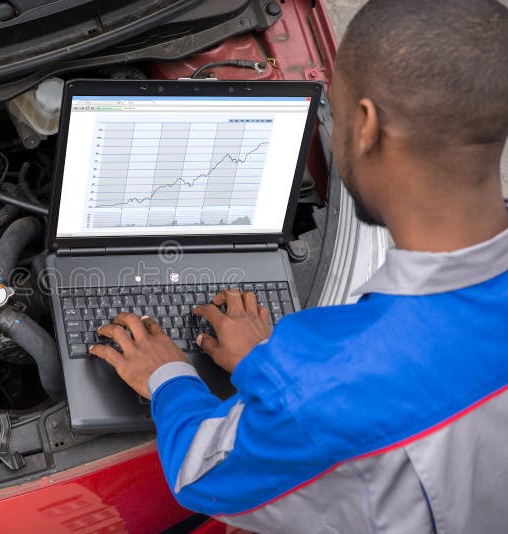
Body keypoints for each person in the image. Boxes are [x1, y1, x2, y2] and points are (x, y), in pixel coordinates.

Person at [88, 0, 508, 531]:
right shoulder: (319, 377)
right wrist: (265, 367)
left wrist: (168, 374)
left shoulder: (322, 379)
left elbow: (202, 476)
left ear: (364, 126)